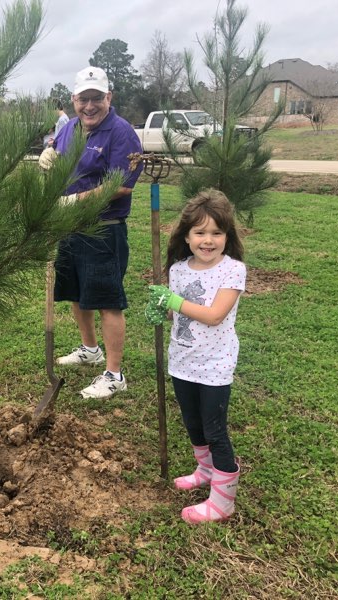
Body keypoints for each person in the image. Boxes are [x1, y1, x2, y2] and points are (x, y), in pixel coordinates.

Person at [40, 66, 143, 399]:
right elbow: (58, 153)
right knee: (76, 290)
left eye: (96, 98)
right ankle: (90, 349)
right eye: (83, 99)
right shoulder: (70, 128)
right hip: (71, 226)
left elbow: (121, 187)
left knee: (107, 299)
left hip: (104, 228)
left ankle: (114, 374)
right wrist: (48, 156)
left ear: (108, 97)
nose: (89, 106)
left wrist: (74, 201)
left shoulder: (122, 133)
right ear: (74, 100)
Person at [146, 190, 245, 524]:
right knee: (192, 423)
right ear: (186, 237)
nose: (208, 240)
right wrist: (163, 310)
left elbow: (215, 315)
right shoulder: (178, 269)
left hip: (215, 364)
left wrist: (172, 302)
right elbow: (182, 314)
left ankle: (222, 501)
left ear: (226, 237)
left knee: (215, 429)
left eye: (217, 233)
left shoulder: (232, 271)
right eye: (200, 232)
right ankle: (204, 470)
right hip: (183, 360)